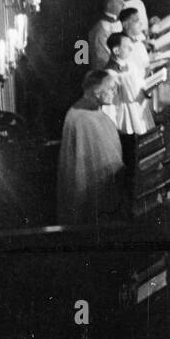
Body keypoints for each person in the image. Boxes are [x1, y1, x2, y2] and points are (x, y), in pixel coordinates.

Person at [57, 71, 126, 224]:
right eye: (111, 88)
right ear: (96, 91)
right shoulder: (81, 118)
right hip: (93, 197)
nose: (114, 92)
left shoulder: (95, 111)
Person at [103, 33, 157, 135]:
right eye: (127, 47)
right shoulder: (110, 75)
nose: (131, 49)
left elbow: (141, 85)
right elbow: (110, 108)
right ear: (116, 51)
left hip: (141, 112)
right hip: (126, 118)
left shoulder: (131, 64)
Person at [87, 0, 124, 70]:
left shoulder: (118, 22)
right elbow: (102, 56)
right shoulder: (101, 27)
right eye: (118, 2)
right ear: (109, 5)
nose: (123, 5)